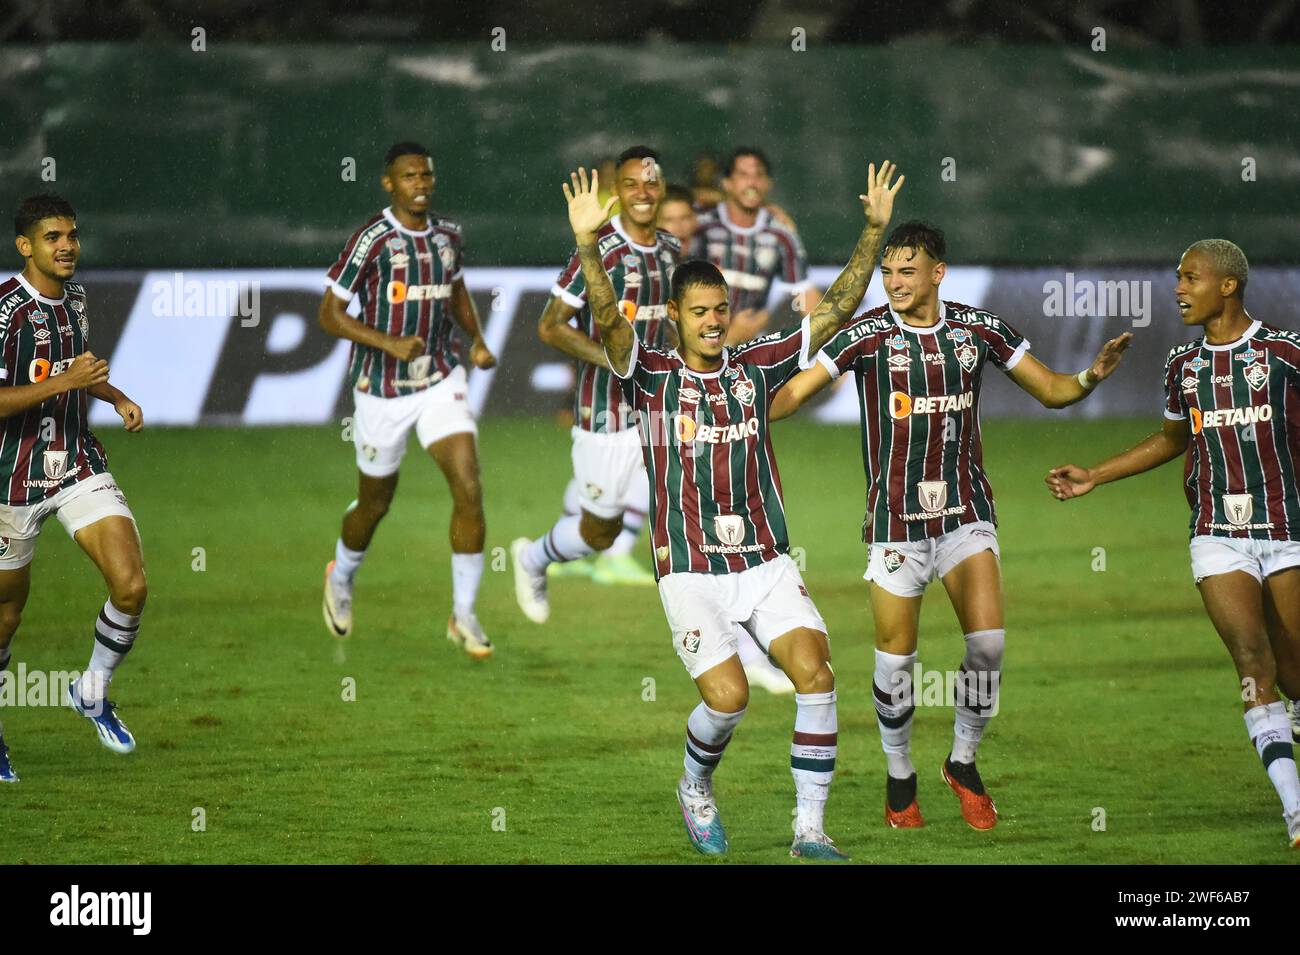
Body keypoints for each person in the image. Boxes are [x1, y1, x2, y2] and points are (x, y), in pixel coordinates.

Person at [569, 159, 904, 859]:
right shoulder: (653, 375)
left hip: (764, 559)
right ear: (675, 318)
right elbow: (608, 322)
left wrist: (872, 233)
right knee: (728, 698)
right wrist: (587, 247)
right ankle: (695, 786)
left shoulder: (755, 365)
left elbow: (835, 307)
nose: (715, 322)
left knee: (816, 672)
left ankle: (809, 829)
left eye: (720, 309)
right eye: (700, 312)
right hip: (687, 566)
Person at [772, 221, 1130, 830]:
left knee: (988, 646)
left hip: (967, 515)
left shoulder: (978, 330)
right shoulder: (866, 336)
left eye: (906, 271)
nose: (894, 283)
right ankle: (899, 773)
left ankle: (962, 762)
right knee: (896, 665)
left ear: (938, 272)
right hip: (894, 526)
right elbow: (792, 395)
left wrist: (1092, 376)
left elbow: (1051, 391)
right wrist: (739, 401)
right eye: (887, 273)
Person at [1048, 239, 1300, 848]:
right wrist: (1095, 475)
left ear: (1228, 286)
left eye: (1190, 278)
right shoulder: (1183, 364)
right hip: (1217, 534)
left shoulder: (1286, 354)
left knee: (1295, 671)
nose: (1179, 288)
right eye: (1177, 277)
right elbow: (1170, 440)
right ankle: (1295, 811)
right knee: (1252, 663)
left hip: (1287, 532)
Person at [319, 142, 496, 658]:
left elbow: (455, 291)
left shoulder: (448, 236)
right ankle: (342, 575)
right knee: (375, 504)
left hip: (440, 377)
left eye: (427, 175)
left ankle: (463, 613)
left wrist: (477, 338)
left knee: (468, 484)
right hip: (381, 391)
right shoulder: (371, 240)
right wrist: (387, 342)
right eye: (409, 176)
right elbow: (329, 314)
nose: (421, 183)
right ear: (389, 184)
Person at [0, 193, 148, 780]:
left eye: (72, 236)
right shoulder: (6, 311)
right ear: (25, 246)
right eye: (54, 237)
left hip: (76, 462)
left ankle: (91, 690)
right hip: (10, 477)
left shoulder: (78, 300)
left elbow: (76, 367)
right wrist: (66, 379)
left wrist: (115, 395)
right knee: (6, 618)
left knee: (131, 585)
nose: (67, 247)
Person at [511, 146, 679, 612]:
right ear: (618, 191)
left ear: (661, 188)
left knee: (690, 498)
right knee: (598, 531)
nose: (642, 192)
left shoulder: (670, 249)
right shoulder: (600, 248)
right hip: (604, 415)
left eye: (651, 183)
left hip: (656, 408)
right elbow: (550, 325)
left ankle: (732, 631)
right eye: (631, 184)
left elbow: (664, 323)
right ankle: (533, 558)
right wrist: (611, 360)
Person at [692, 147, 821, 349]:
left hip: (749, 347)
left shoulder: (781, 233)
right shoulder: (700, 226)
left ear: (768, 183)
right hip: (695, 342)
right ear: (726, 183)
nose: (752, 183)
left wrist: (833, 347)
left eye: (758, 175)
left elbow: (805, 293)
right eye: (743, 175)